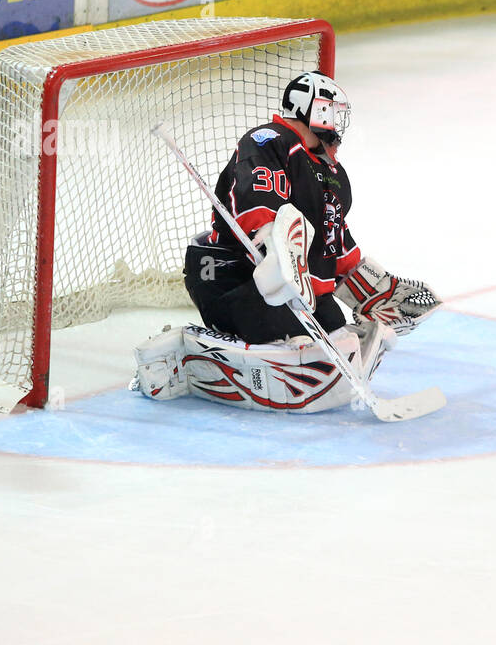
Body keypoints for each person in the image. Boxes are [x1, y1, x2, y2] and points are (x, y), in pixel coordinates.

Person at [132, 70, 440, 412]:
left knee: (342, 342)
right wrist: (275, 253)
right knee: (297, 352)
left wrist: (375, 291)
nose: (338, 122)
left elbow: (335, 245)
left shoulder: (333, 175)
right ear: (315, 110)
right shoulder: (270, 141)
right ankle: (187, 355)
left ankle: (268, 347)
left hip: (298, 292)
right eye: (333, 111)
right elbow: (256, 204)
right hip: (234, 278)